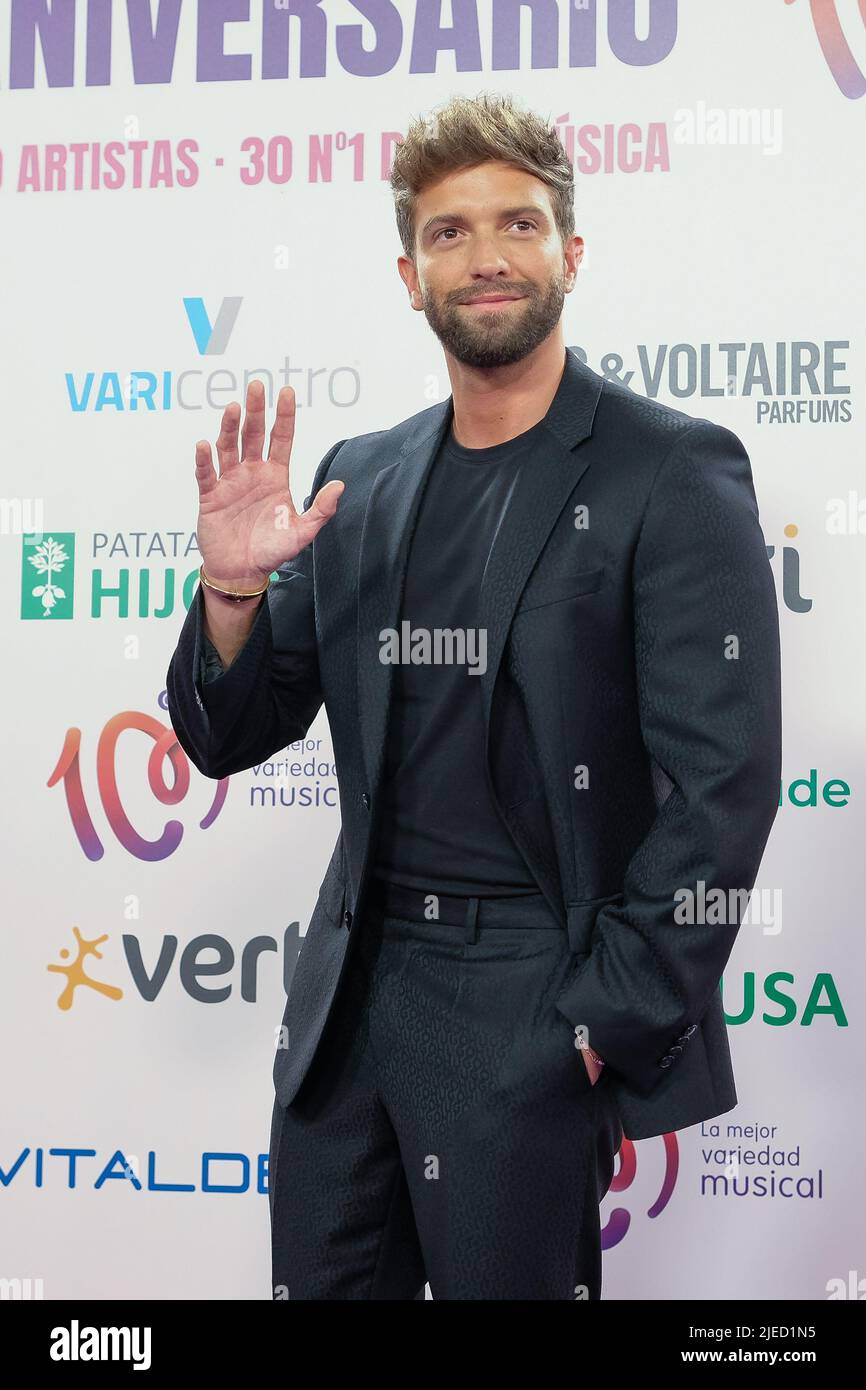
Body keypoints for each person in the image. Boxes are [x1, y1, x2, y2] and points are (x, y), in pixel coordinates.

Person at [165, 93, 782, 1300]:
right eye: (448, 233)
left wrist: (600, 1015)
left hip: (529, 992)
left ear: (570, 252)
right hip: (352, 994)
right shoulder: (362, 478)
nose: (486, 255)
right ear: (408, 274)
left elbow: (724, 783)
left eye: (518, 223)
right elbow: (228, 733)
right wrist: (232, 597)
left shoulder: (667, 469)